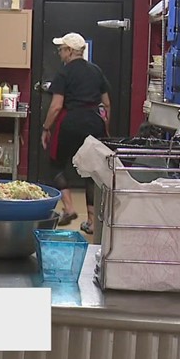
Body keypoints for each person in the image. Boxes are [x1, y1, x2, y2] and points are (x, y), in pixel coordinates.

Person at [41, 32, 110, 233]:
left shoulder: (64, 73)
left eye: (61, 49)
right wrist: (105, 127)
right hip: (94, 123)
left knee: (56, 165)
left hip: (70, 123)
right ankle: (92, 222)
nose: (59, 53)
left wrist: (46, 128)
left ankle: (69, 208)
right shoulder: (96, 71)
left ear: (70, 51)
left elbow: (56, 106)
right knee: (91, 172)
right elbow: (106, 104)